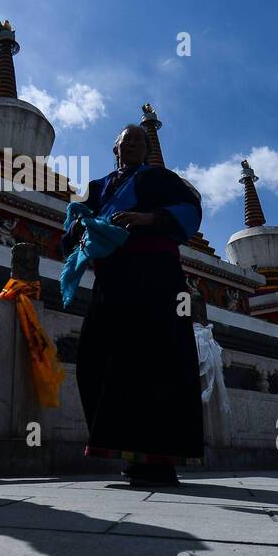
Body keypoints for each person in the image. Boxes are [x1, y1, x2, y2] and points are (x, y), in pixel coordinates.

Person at [61, 124, 204, 487]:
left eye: (141, 140)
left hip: (155, 277)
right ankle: (124, 449)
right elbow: (74, 231)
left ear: (148, 148)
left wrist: (149, 218)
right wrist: (83, 229)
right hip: (112, 280)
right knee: (100, 359)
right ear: (116, 148)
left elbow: (189, 211)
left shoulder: (161, 179)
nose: (135, 145)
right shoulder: (98, 188)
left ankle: (159, 459)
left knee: (157, 360)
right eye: (129, 140)